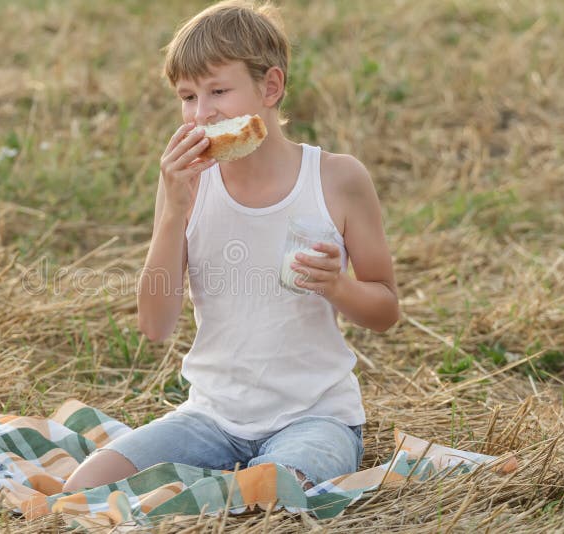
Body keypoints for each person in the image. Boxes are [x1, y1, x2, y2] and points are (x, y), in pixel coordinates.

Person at [62, 0, 399, 493]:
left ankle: (252, 484)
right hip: (211, 417)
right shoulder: (186, 185)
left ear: (271, 87)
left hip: (316, 418)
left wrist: (336, 287)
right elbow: (154, 326)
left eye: (218, 91)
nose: (202, 113)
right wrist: (174, 211)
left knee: (269, 497)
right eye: (187, 96)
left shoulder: (336, 178)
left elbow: (385, 310)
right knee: (83, 488)